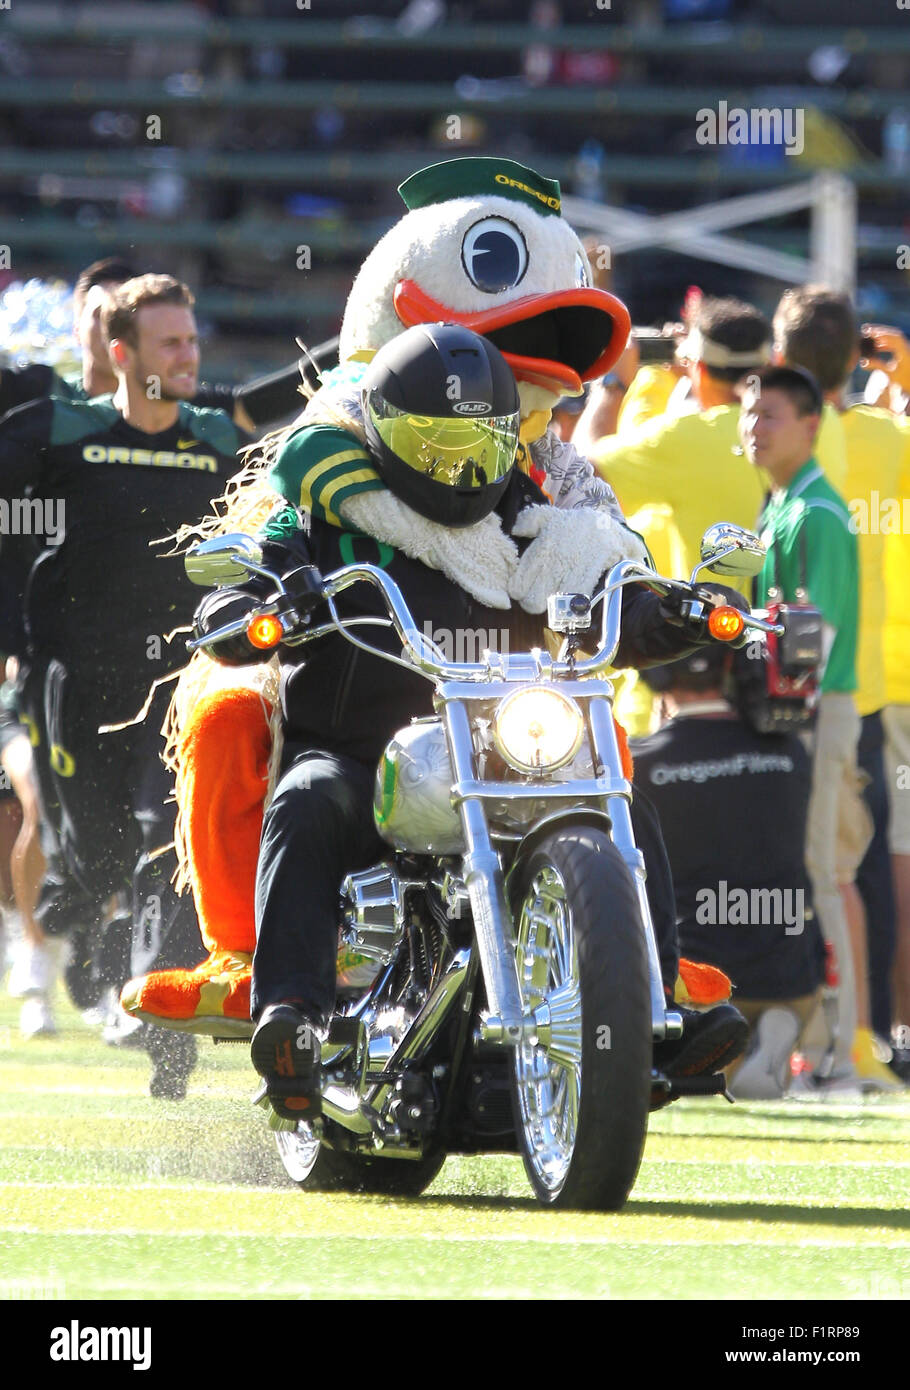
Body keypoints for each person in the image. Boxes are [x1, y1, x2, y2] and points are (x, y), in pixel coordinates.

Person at [193, 323, 751, 1121]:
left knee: (620, 799)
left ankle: (659, 1009)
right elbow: (259, 559)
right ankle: (291, 1015)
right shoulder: (325, 511)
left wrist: (687, 613)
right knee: (307, 799)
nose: (461, 469)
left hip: (507, 756)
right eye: (436, 445)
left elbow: (604, 583)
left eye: (479, 444)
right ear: (384, 431)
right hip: (364, 761)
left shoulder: (533, 515)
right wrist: (247, 605)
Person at [0, 273, 248, 1095]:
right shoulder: (57, 435)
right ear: (122, 355)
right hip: (73, 688)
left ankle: (153, 1007)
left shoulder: (220, 441)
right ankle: (81, 928)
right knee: (91, 856)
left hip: (176, 689)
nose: (189, 357)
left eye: (193, 341)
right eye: (170, 344)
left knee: (163, 837)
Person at [773, 286, 907, 1085]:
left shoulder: (779, 433)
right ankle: (869, 1032)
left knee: (813, 864)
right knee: (862, 863)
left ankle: (825, 1034)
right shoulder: (888, 438)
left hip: (796, 680)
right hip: (871, 679)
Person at [631, 645, 826, 1099]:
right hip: (792, 977)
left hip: (699, 988)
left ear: (657, 678)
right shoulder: (790, 751)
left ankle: (734, 1059)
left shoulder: (641, 764)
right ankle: (777, 1030)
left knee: (700, 1066)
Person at [740, 364, 861, 1087]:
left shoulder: (816, 511)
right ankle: (813, 1043)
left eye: (770, 416)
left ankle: (836, 1053)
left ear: (812, 424)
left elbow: (823, 633)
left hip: (816, 713)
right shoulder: (780, 504)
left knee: (819, 870)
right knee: (802, 870)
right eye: (749, 414)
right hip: (794, 714)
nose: (753, 428)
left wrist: (785, 709)